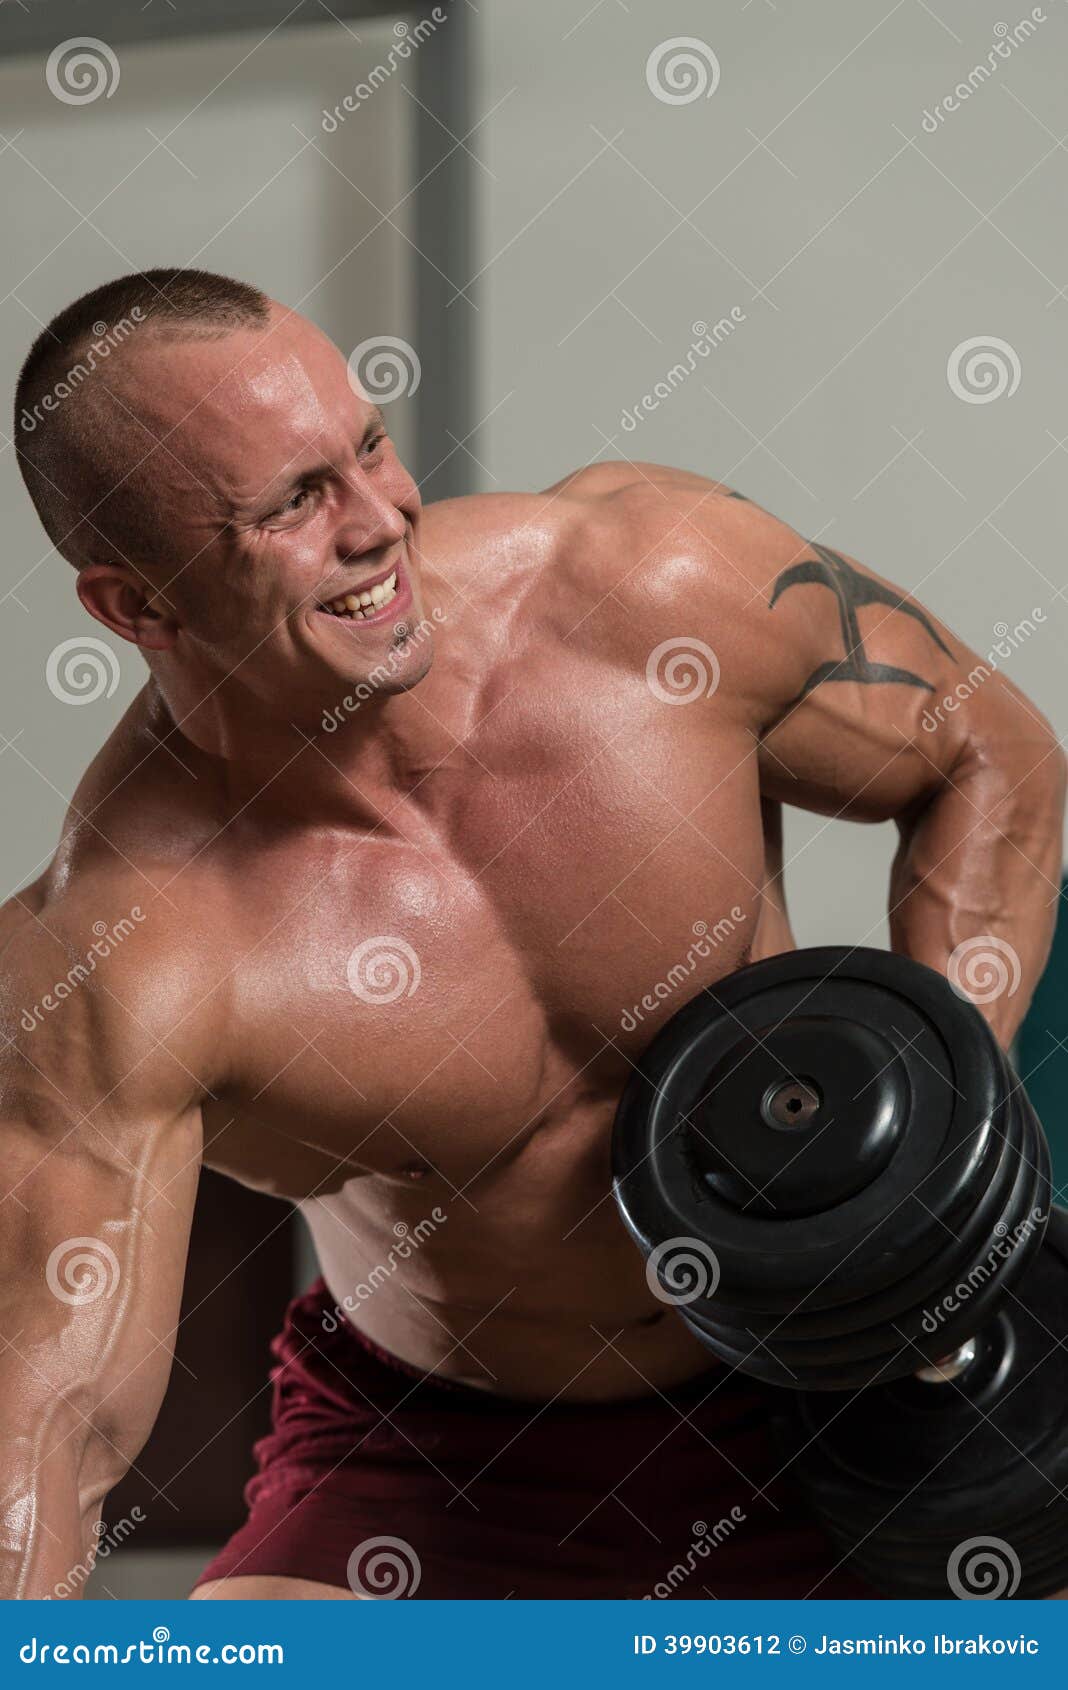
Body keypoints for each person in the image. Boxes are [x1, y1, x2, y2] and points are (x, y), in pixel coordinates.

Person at [1, 269, 1062, 1601]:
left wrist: (918, 1148)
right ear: (134, 606)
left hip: (861, 1374)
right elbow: (49, 1427)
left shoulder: (640, 590)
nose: (378, 522)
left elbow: (990, 750)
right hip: (441, 1459)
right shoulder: (119, 953)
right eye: (290, 504)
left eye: (370, 448)